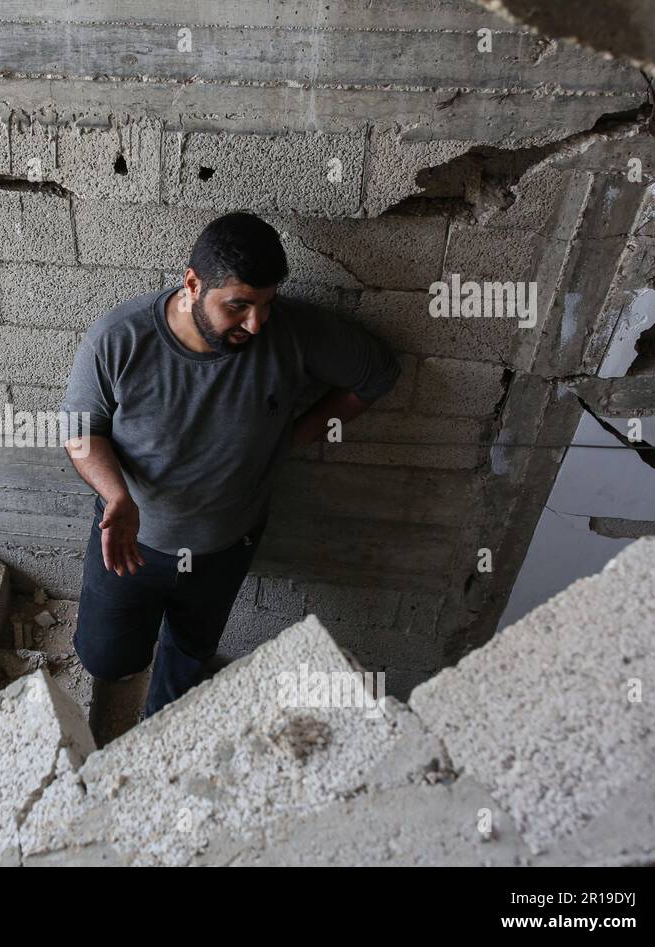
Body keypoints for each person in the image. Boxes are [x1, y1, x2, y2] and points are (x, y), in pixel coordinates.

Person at [58, 211, 401, 718]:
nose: (256, 323)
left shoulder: (291, 333)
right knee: (107, 658)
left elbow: (376, 374)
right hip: (131, 543)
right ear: (193, 285)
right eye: (238, 305)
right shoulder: (120, 338)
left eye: (267, 304)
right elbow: (80, 432)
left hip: (225, 549)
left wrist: (298, 435)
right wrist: (116, 496)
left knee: (189, 655)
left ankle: (164, 727)